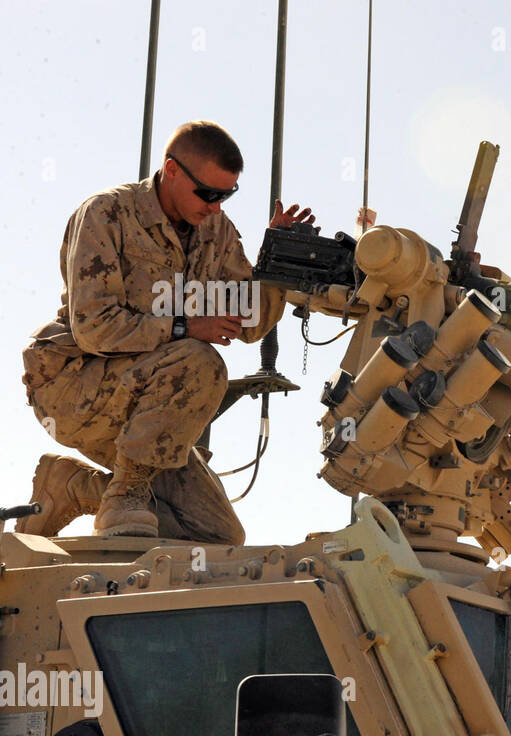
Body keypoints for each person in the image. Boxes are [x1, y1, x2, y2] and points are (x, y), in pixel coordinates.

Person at [17, 120, 314, 544]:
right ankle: (126, 493)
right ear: (172, 170)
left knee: (216, 534)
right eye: (208, 194)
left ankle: (74, 487)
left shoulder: (217, 231)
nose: (215, 206)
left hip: (152, 409)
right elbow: (93, 328)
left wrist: (276, 261)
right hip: (73, 387)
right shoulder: (107, 214)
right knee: (202, 361)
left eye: (226, 195)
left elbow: (248, 324)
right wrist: (185, 326)